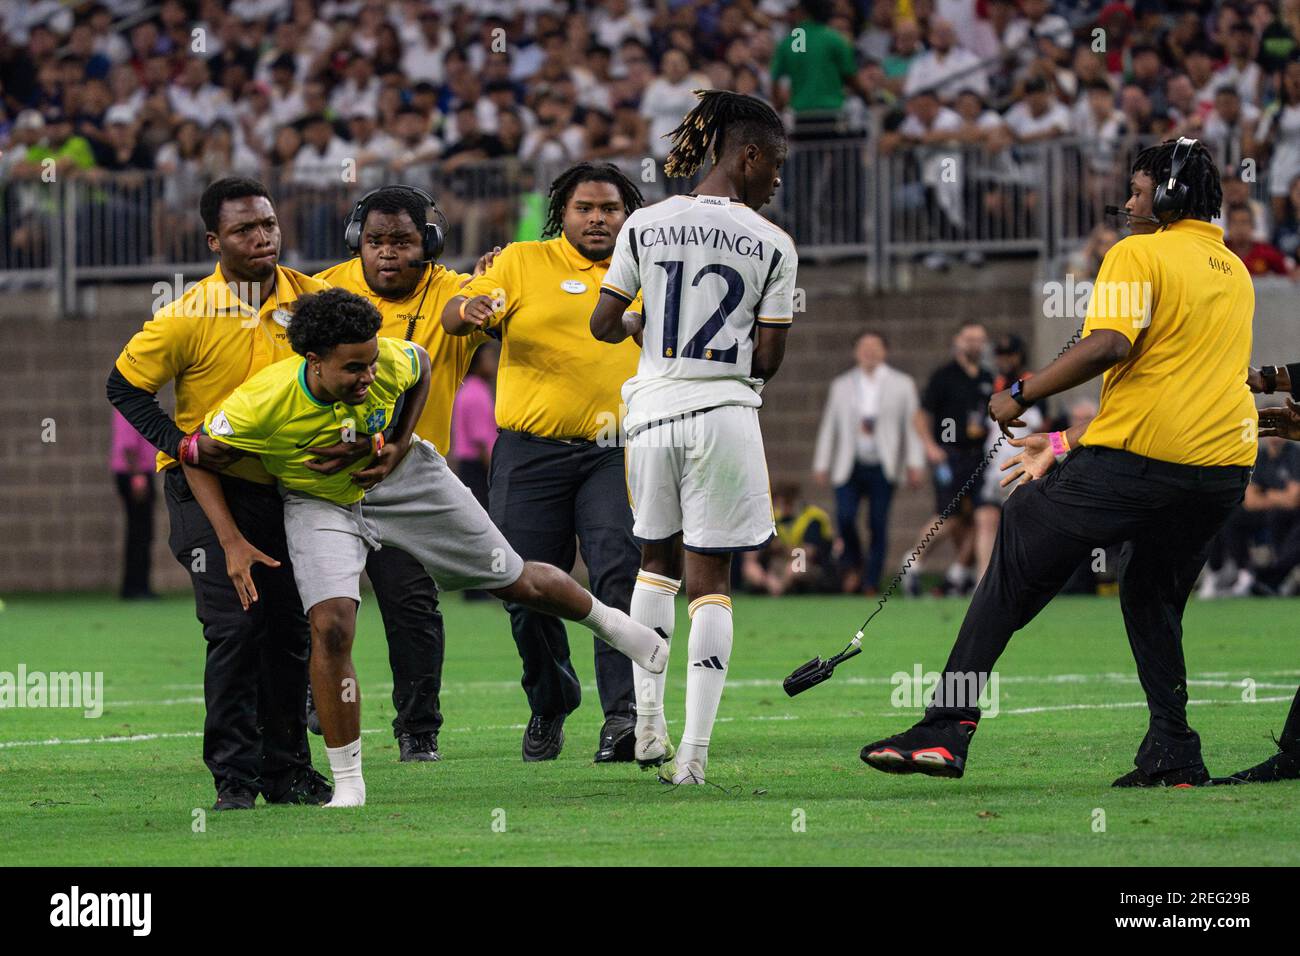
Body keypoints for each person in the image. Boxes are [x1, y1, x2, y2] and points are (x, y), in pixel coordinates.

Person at [862, 138, 1257, 787]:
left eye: (1135, 192)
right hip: (1221, 473)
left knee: (1017, 534)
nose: (1127, 204)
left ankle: (945, 725)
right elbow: (1176, 385)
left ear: (1168, 194)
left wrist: (1021, 392)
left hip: (1143, 461)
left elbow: (1108, 344)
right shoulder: (1233, 270)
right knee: (1149, 590)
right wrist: (1060, 446)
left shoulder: (1139, 252)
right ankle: (1174, 750)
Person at [181, 289, 669, 808]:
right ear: (314, 362)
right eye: (353, 369)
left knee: (516, 580)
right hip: (320, 503)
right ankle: (349, 785)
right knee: (330, 625)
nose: (368, 376)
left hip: (405, 480)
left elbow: (421, 365)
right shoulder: (260, 403)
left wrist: (394, 444)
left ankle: (622, 630)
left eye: (370, 363)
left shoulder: (387, 358)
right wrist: (232, 543)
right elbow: (193, 455)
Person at [589, 89, 797, 786]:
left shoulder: (645, 222)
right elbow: (767, 360)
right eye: (775, 165)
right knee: (711, 581)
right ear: (748, 154)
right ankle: (694, 759)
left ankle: (648, 726)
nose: (776, 179)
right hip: (723, 416)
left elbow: (602, 321)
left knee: (655, 563)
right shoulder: (773, 243)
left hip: (649, 414)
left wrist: (637, 326)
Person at [106, 177, 332, 810]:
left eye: (267, 225)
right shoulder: (184, 315)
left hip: (289, 489)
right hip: (208, 490)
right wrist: (179, 445)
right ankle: (233, 777)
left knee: (289, 629)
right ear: (214, 240)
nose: (261, 238)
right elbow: (123, 387)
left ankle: (286, 771)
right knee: (236, 629)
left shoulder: (313, 301)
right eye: (243, 230)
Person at [442, 163, 646, 763]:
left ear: (627, 213)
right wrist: (471, 313)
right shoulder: (522, 261)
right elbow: (459, 310)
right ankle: (552, 699)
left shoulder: (647, 268)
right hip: (529, 451)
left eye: (610, 207)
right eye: (585, 207)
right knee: (524, 586)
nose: (599, 218)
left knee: (618, 574)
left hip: (617, 450)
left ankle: (623, 717)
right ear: (564, 211)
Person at [310, 185, 499, 762]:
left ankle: (419, 730)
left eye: (402, 241)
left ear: (430, 243)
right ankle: (308, 702)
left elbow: (482, 305)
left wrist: (488, 291)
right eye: (375, 241)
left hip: (411, 481)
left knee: (412, 608)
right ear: (356, 244)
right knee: (316, 606)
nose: (387, 253)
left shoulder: (454, 288)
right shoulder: (322, 289)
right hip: (327, 475)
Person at [812, 329, 925, 594]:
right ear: (856, 351)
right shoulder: (841, 385)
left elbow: (913, 425)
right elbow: (830, 425)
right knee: (845, 516)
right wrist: (821, 462)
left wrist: (914, 462)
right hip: (849, 463)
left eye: (875, 346)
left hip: (883, 465)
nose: (870, 352)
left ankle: (871, 581)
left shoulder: (903, 384)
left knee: (877, 522)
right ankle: (856, 563)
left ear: (885, 351)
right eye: (864, 346)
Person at [906, 322, 992, 597]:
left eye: (979, 339)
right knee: (949, 516)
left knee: (981, 515)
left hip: (978, 455)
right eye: (969, 339)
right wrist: (930, 446)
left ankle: (964, 573)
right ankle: (914, 560)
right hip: (950, 456)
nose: (974, 344)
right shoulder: (944, 376)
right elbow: (920, 415)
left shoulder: (987, 378)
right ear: (958, 341)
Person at [973, 335, 1043, 582]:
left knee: (1021, 522)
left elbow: (1040, 423)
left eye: (1009, 355)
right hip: (993, 466)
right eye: (1000, 356)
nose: (1004, 361)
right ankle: (982, 581)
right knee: (985, 518)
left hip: (1022, 462)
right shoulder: (991, 383)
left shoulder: (1032, 382)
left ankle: (1024, 578)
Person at [110, 409, 158, 601]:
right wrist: (137, 476)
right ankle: (135, 587)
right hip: (134, 474)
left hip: (138, 473)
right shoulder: (127, 405)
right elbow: (127, 445)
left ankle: (139, 585)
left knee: (141, 531)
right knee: (139, 531)